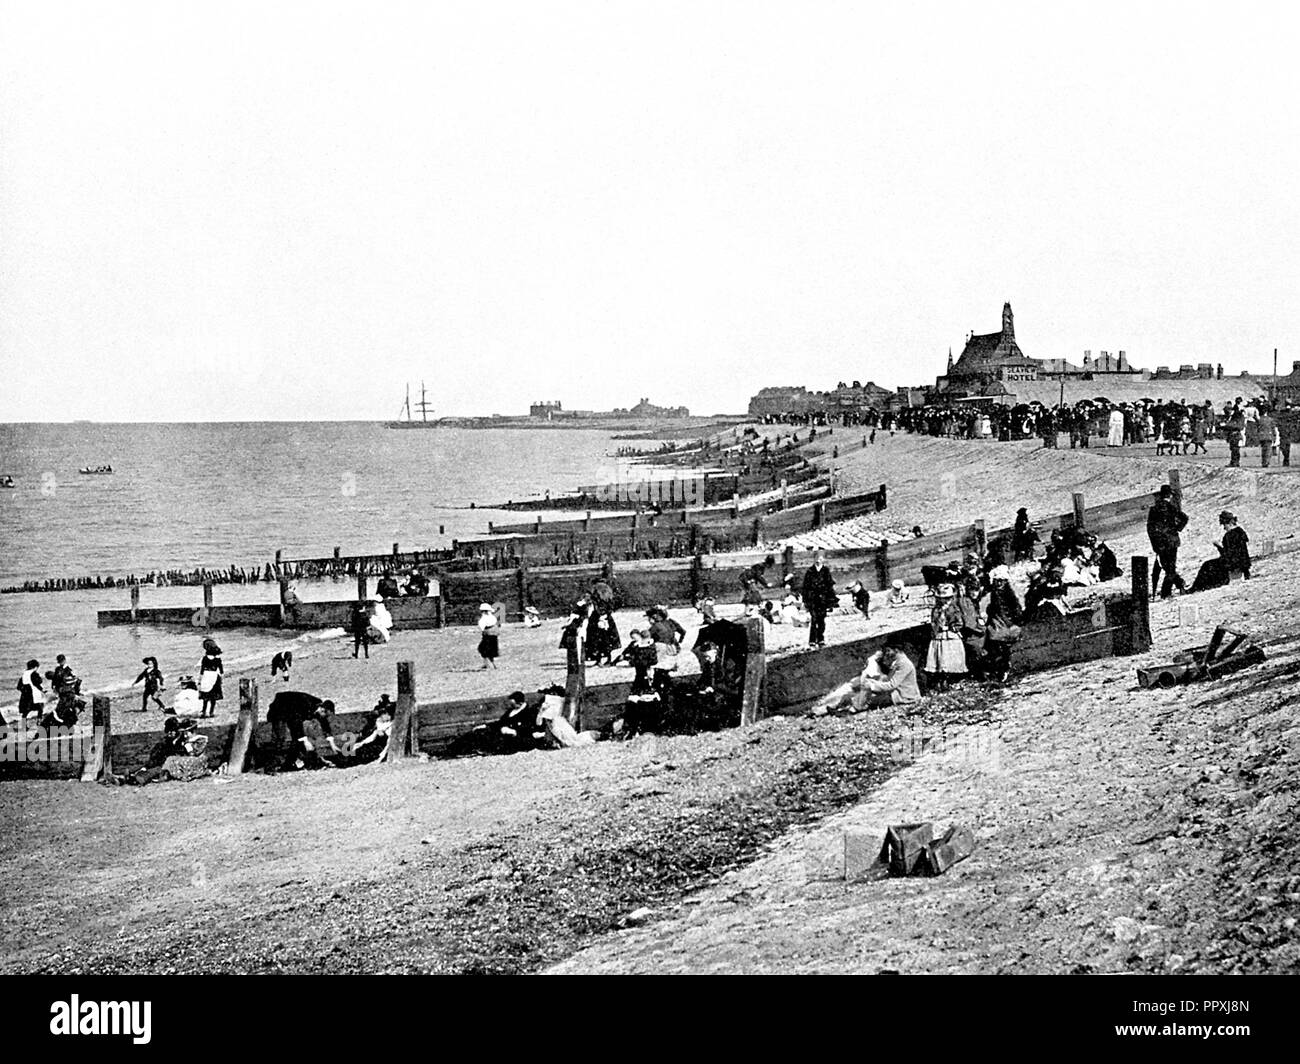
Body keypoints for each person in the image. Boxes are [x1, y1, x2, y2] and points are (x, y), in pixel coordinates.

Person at [814, 644, 921, 712]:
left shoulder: (904, 664)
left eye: (888, 651)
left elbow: (891, 685)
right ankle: (846, 707)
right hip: (897, 692)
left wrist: (872, 685)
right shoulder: (898, 662)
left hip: (904, 696)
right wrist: (873, 682)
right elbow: (888, 681)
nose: (887, 654)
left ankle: (849, 708)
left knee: (867, 696)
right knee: (864, 689)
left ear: (896, 650)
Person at [266, 691, 337, 770]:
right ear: (323, 710)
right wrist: (305, 740)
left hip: (292, 714)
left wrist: (331, 741)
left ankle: (289, 763)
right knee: (280, 739)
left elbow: (324, 723)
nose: (326, 717)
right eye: (326, 715)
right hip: (280, 709)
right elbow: (295, 722)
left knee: (297, 740)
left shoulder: (319, 707)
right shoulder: (306, 705)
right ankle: (272, 766)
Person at [1190, 511, 1252, 592]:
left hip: (1233, 564)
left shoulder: (1229, 536)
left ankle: (1195, 589)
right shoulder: (1240, 532)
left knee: (1207, 565)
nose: (1224, 527)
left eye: (1224, 524)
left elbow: (1227, 555)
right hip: (1244, 564)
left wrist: (1218, 546)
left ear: (1229, 523)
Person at [1146, 484, 1189, 598]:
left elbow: (1150, 529)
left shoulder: (1154, 509)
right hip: (1171, 541)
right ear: (1169, 496)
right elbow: (1185, 518)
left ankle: (1169, 590)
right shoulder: (1171, 507)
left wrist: (1154, 544)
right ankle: (1173, 588)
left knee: (1167, 567)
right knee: (1170, 567)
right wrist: (1178, 528)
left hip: (1160, 544)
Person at [982, 566, 1023, 683]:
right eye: (997, 581)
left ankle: (1004, 667)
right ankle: (999, 668)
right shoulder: (993, 594)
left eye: (1002, 581)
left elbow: (1016, 609)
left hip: (1006, 623)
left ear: (1005, 582)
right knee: (993, 643)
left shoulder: (1009, 594)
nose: (999, 583)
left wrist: (1013, 621)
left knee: (1001, 642)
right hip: (997, 621)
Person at [923, 584, 968, 691]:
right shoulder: (936, 610)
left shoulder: (954, 609)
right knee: (940, 656)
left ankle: (951, 680)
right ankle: (941, 680)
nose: (945, 601)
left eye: (947, 598)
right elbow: (933, 622)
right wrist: (936, 626)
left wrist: (952, 628)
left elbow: (959, 622)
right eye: (942, 599)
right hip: (939, 635)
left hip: (950, 635)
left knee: (951, 657)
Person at [801, 551, 837, 648]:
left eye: (820, 559)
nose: (818, 561)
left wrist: (831, 601)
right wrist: (805, 601)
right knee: (814, 619)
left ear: (823, 560)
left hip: (823, 600)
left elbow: (830, 586)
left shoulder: (826, 571)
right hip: (813, 600)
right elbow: (805, 587)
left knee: (821, 620)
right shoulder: (810, 571)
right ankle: (812, 640)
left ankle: (820, 639)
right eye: (817, 558)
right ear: (814, 559)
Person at [197, 639, 223, 718]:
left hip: (206, 676)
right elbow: (221, 671)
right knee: (213, 698)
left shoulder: (204, 659)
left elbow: (202, 670)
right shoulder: (218, 659)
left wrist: (200, 680)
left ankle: (204, 712)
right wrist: (221, 679)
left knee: (205, 696)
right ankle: (211, 712)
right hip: (215, 676)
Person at [476, 603, 500, 669]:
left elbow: (481, 627)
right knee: (490, 651)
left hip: (487, 635)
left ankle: (489, 665)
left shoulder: (484, 618)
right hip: (494, 635)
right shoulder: (492, 617)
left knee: (483, 650)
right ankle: (491, 663)